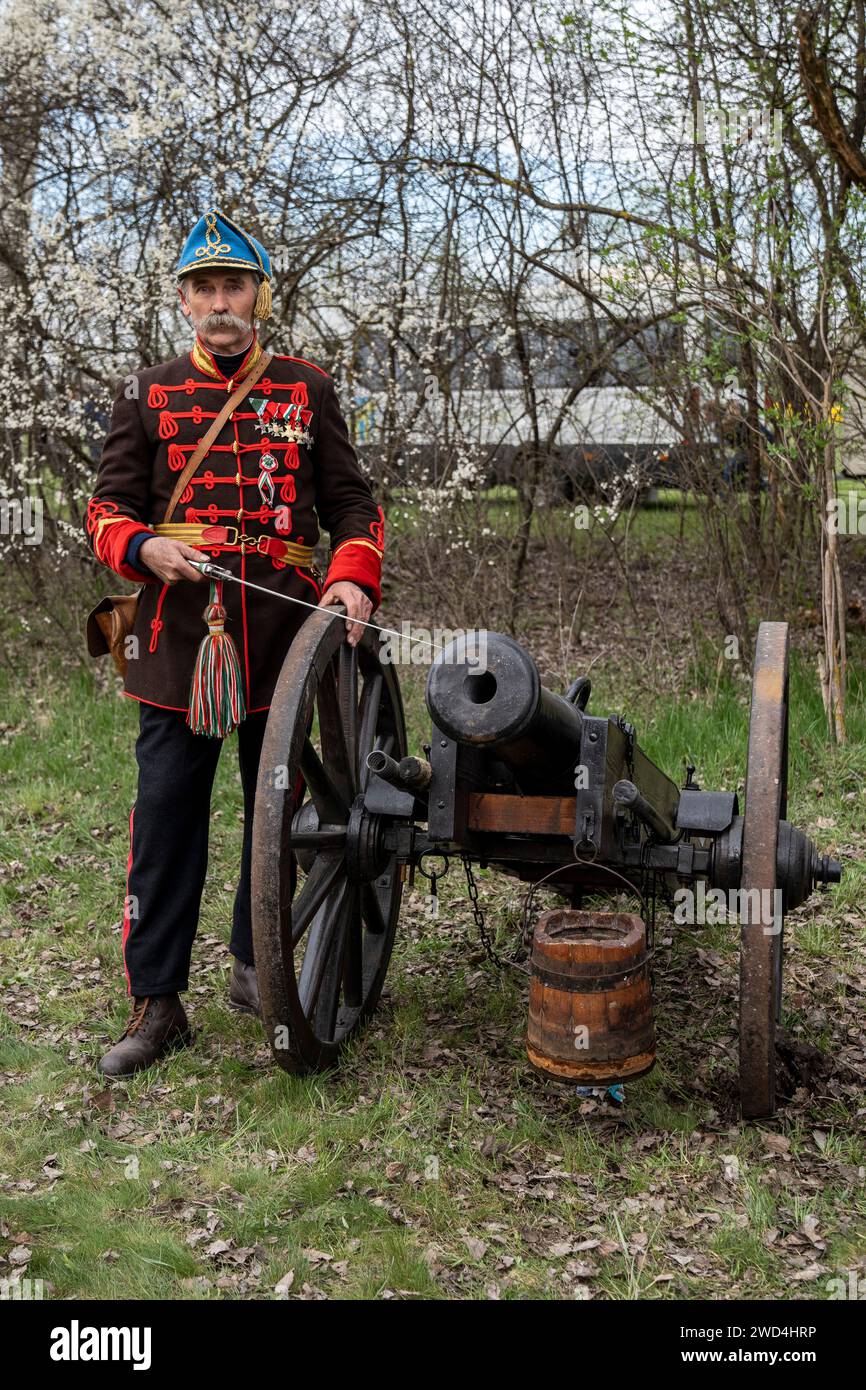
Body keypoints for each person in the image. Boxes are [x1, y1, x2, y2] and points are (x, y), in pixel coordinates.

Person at [85, 207, 384, 1076]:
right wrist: (145, 547)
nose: (221, 302)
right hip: (179, 643)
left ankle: (258, 967)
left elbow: (353, 507)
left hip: (284, 633)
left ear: (259, 296)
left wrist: (350, 579)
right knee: (166, 818)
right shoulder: (145, 393)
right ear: (184, 301)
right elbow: (106, 510)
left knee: (277, 812)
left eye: (234, 286)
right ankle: (157, 1002)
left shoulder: (307, 389)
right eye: (205, 288)